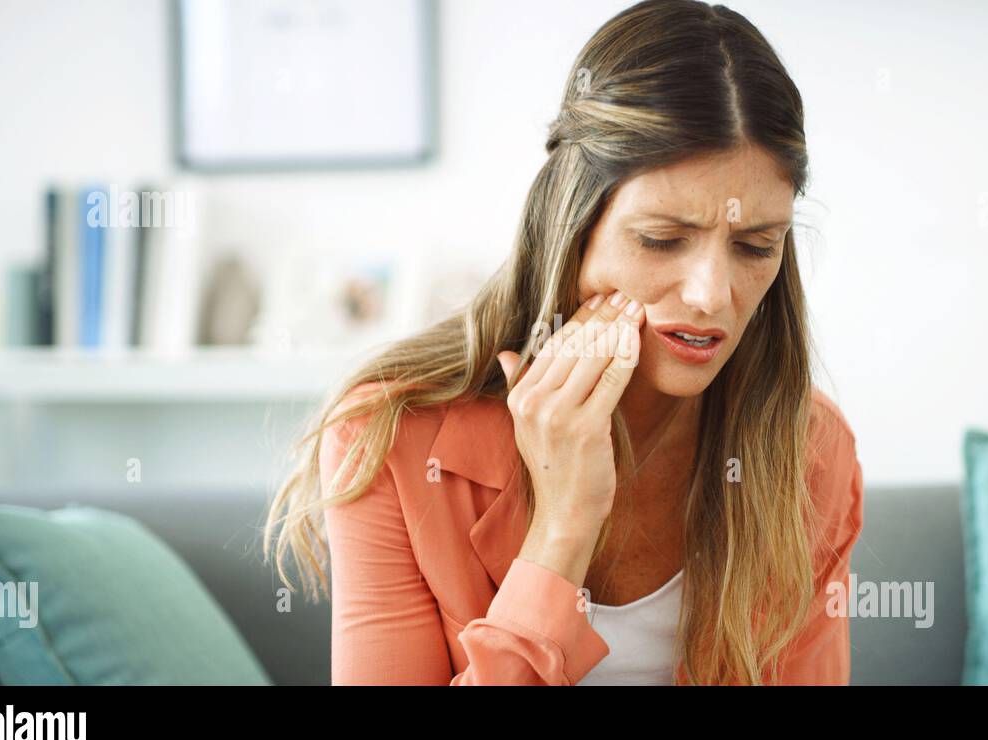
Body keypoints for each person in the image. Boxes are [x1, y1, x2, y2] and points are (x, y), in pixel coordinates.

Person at [263, 0, 863, 685]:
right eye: (661, 239)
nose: (710, 294)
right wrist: (563, 528)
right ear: (571, 225)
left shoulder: (809, 447)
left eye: (756, 246)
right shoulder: (391, 439)